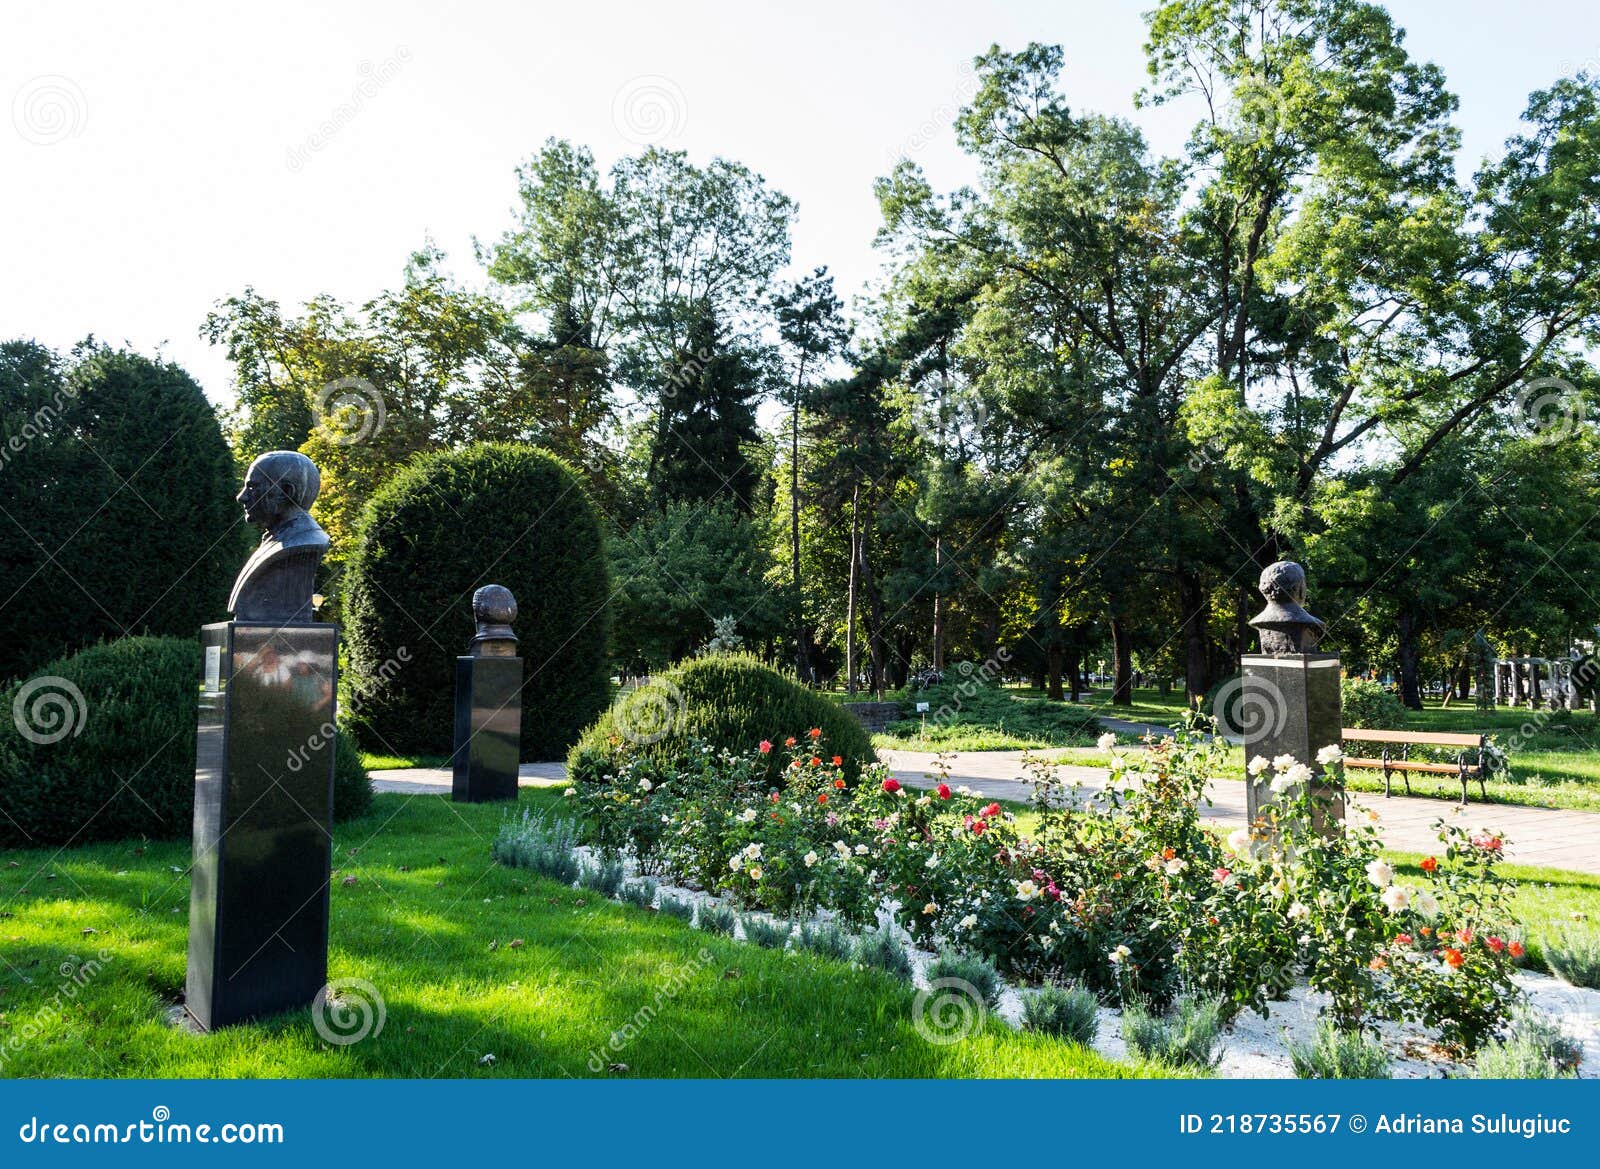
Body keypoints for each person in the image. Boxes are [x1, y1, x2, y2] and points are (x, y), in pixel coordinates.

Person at [228, 451, 330, 623]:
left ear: (286, 492)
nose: (242, 497)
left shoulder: (305, 542)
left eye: (252, 487)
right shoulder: (278, 539)